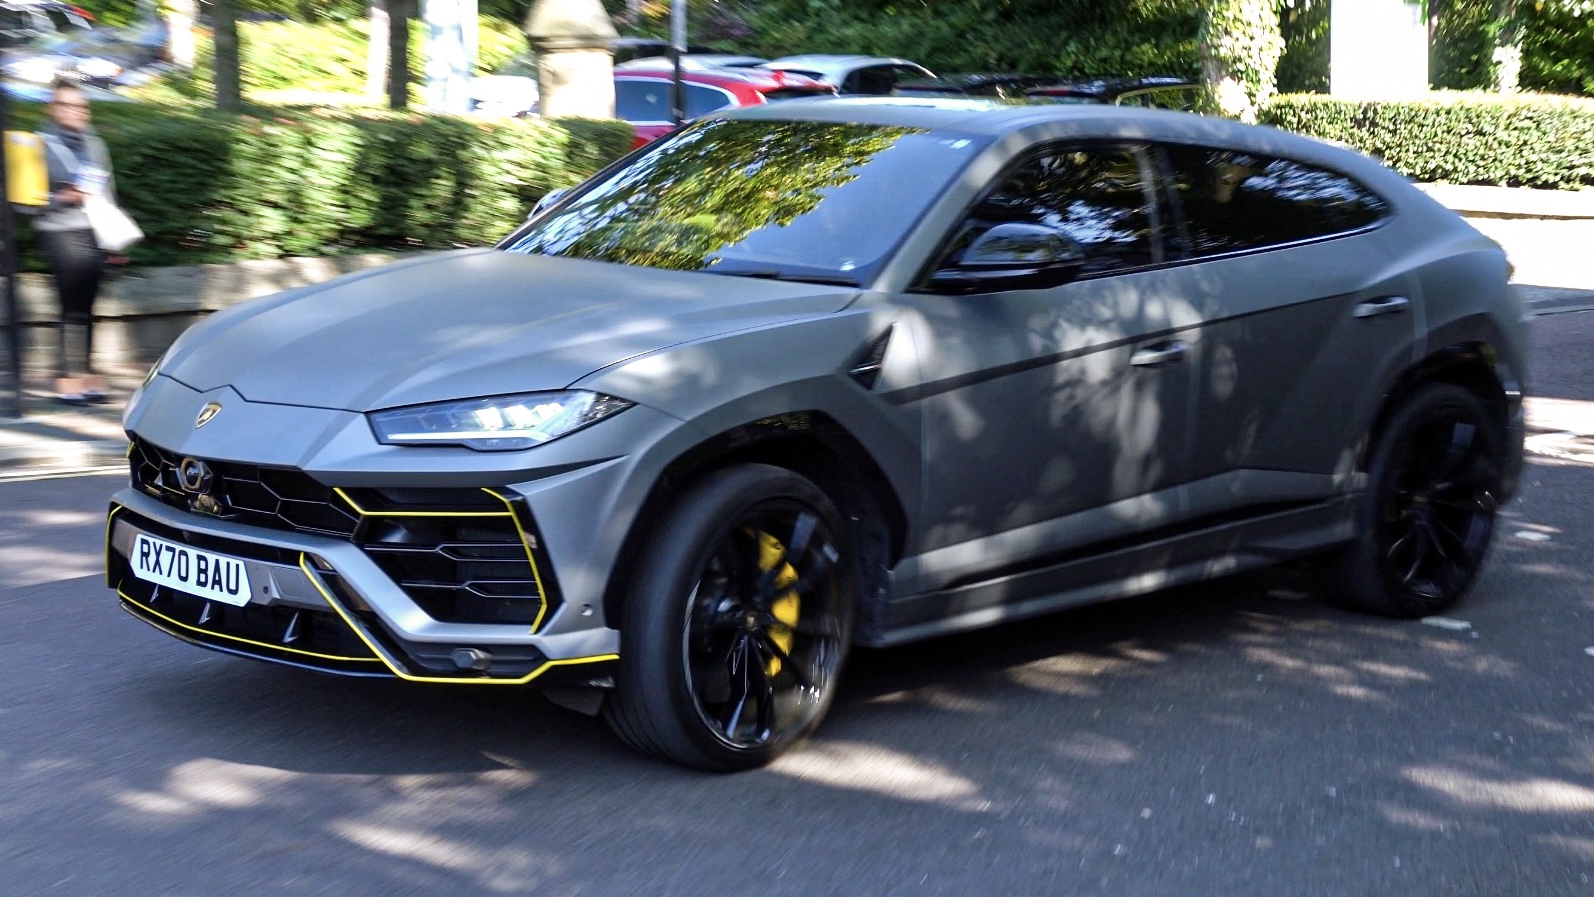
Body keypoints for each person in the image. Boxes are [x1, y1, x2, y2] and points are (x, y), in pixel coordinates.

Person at [35, 79, 119, 404]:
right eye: (66, 105)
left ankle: (85, 376)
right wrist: (63, 197)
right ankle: (69, 380)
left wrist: (112, 239)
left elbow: (108, 188)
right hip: (60, 230)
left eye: (81, 106)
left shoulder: (94, 142)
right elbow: (23, 200)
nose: (75, 111)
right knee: (71, 307)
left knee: (88, 308)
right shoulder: (38, 144)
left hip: (94, 229)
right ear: (52, 108)